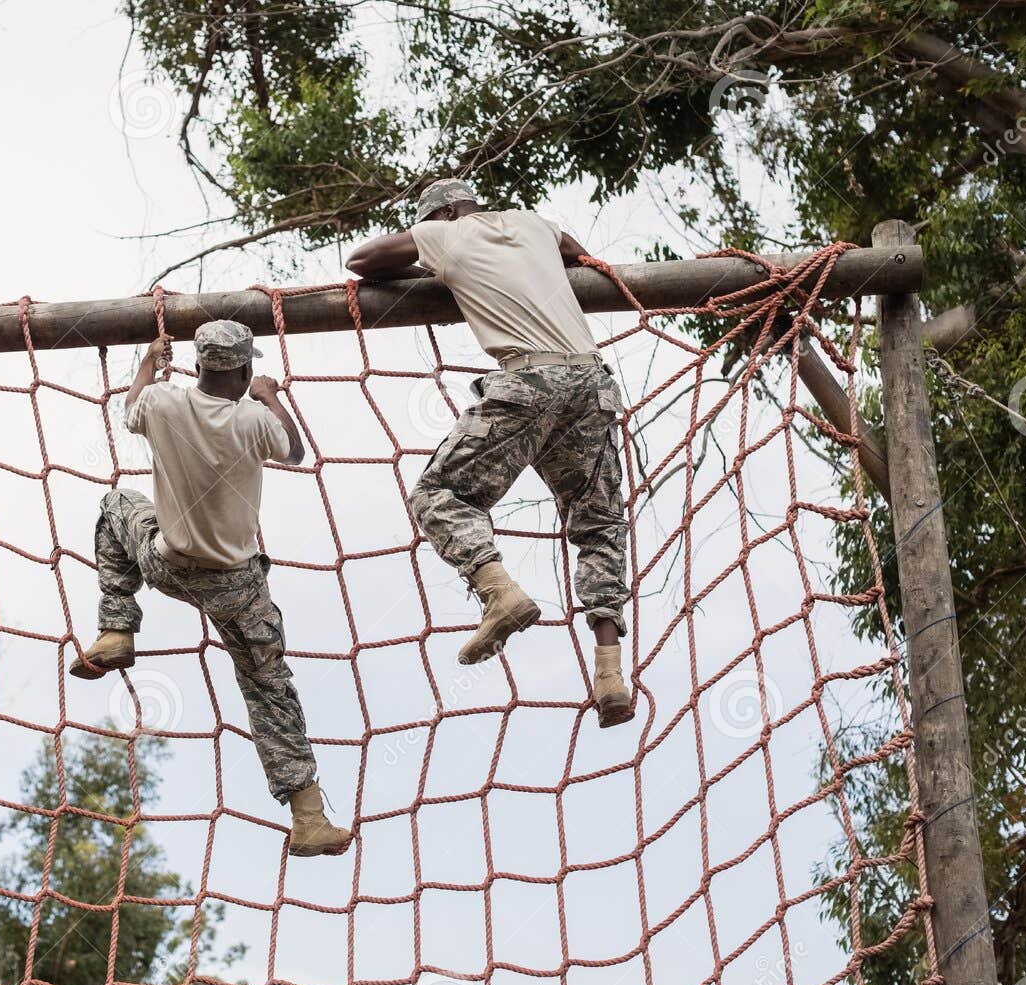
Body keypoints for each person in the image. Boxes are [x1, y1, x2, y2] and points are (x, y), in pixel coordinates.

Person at [345, 177, 633, 727]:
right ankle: (609, 675)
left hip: (529, 383)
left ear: (444, 213)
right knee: (598, 525)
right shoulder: (530, 221)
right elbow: (575, 248)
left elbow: (363, 260)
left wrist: (431, 257)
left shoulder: (447, 233)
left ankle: (497, 590)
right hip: (593, 385)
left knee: (437, 492)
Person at [69, 321, 353, 854]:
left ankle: (115, 630)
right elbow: (294, 452)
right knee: (269, 687)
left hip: (169, 565)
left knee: (115, 507)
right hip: (238, 586)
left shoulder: (162, 403)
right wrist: (269, 397)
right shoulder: (252, 418)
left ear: (198, 367)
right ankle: (308, 817)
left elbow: (130, 407)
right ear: (244, 370)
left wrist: (152, 362)